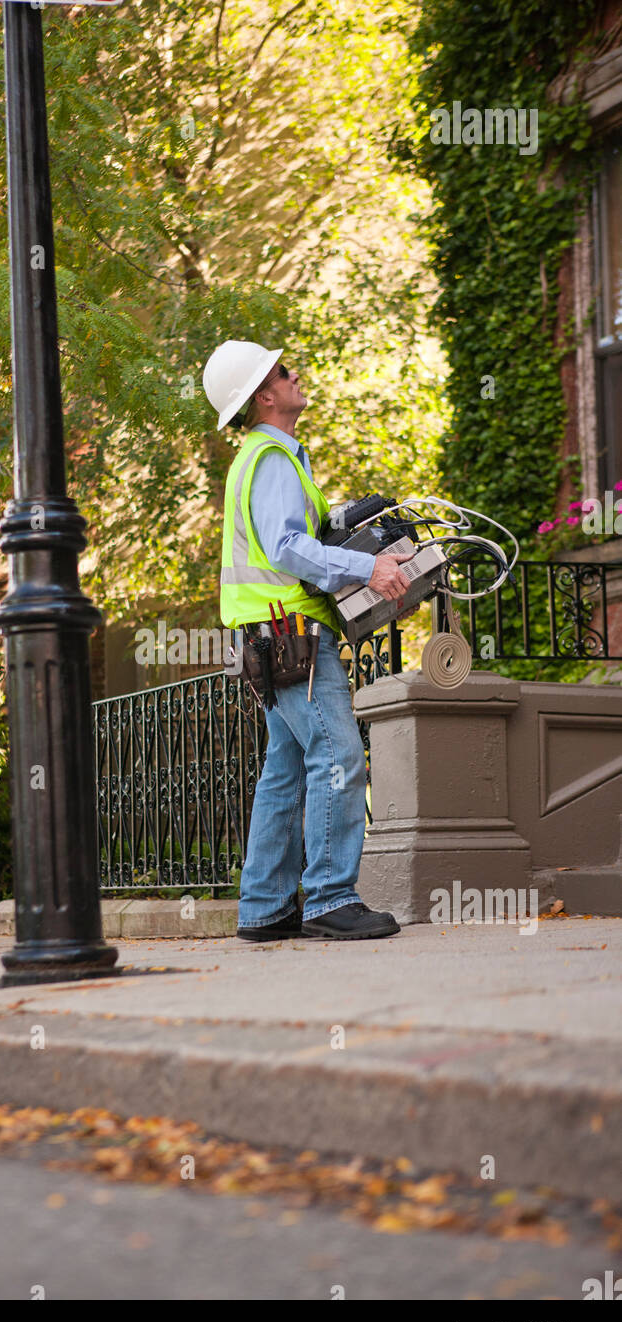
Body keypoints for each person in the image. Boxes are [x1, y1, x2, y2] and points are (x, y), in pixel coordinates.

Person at [204, 339, 408, 942]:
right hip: (291, 633)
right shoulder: (269, 458)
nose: (295, 376)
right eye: (283, 372)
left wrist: (341, 520)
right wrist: (366, 569)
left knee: (286, 767)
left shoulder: (269, 458)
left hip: (268, 635)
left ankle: (265, 908)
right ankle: (328, 898)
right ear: (265, 395)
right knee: (339, 756)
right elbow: (286, 547)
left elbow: (301, 531)